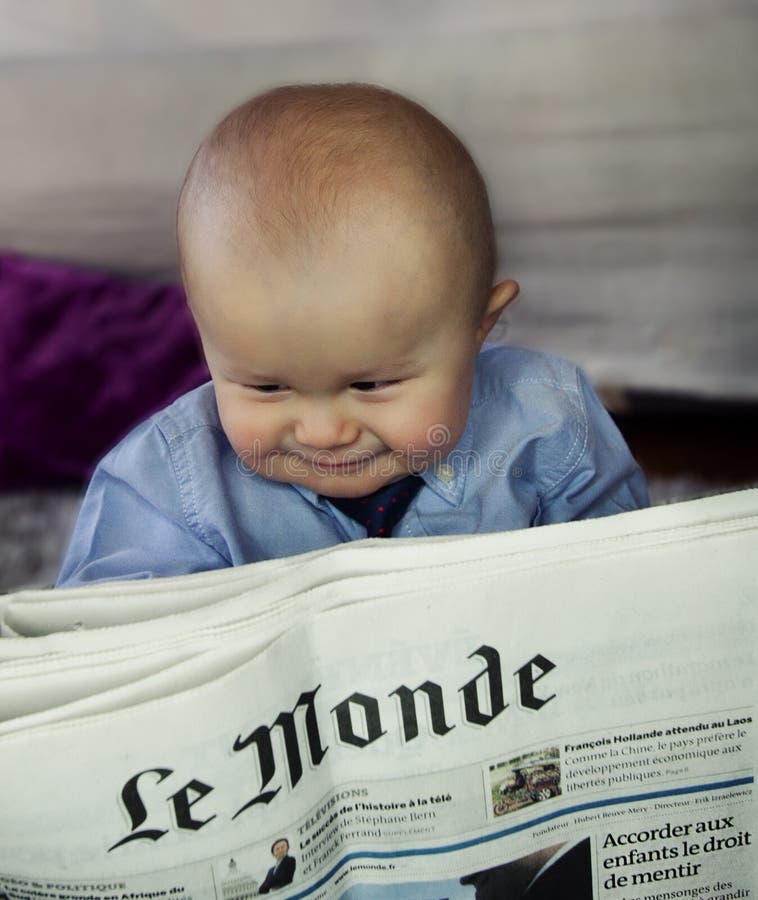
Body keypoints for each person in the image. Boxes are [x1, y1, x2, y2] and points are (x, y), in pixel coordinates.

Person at [56, 83, 648, 587]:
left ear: (478, 329)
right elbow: (107, 659)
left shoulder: (548, 426)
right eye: (266, 387)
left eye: (371, 383)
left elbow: (635, 583)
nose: (324, 433)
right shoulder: (163, 488)